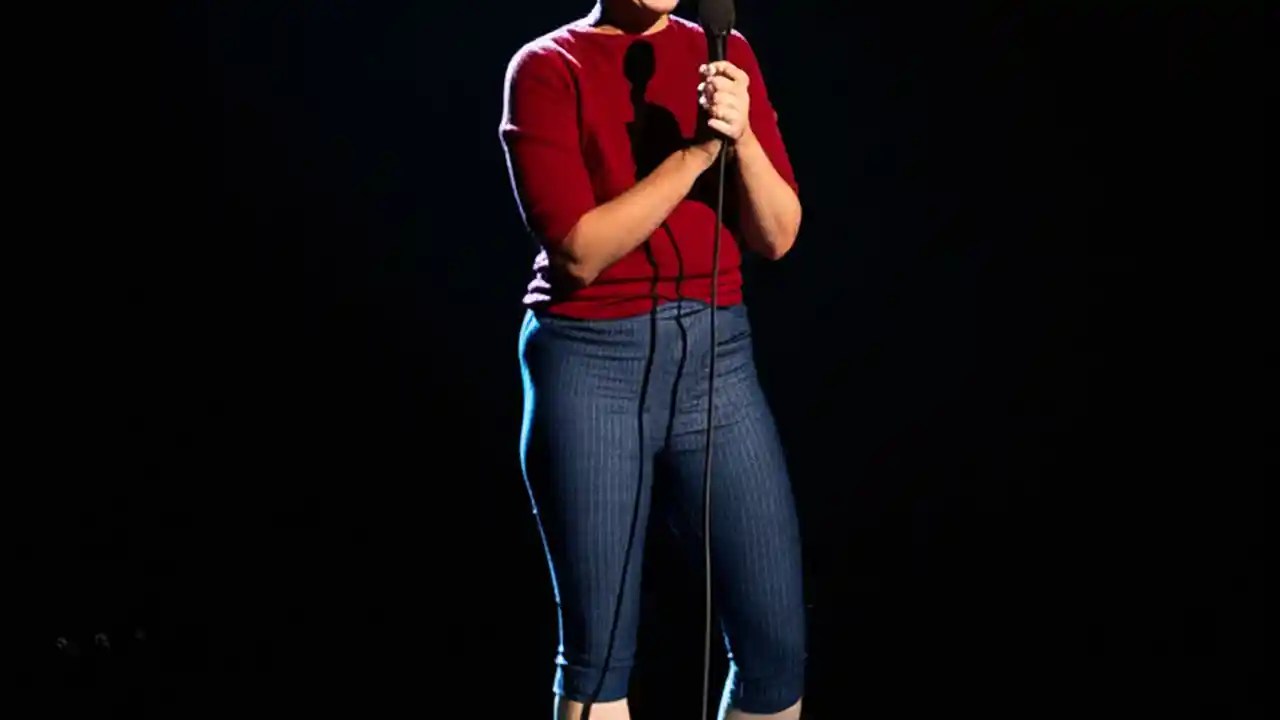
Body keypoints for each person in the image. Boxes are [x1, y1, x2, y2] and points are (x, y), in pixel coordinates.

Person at [500, 2, 804, 718]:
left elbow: (779, 234)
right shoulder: (547, 66)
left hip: (717, 358)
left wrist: (742, 139)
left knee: (775, 652)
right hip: (591, 360)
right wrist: (696, 155)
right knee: (599, 656)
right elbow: (577, 252)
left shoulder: (726, 55)